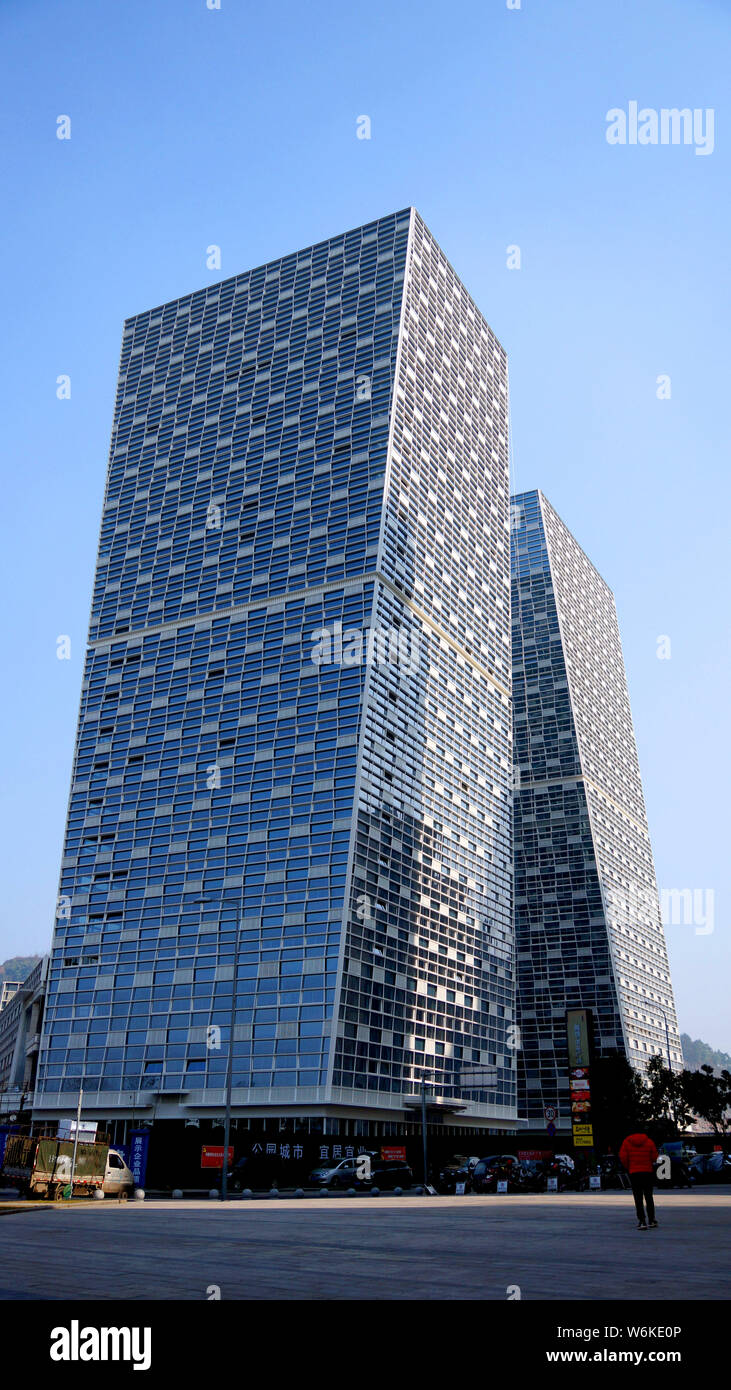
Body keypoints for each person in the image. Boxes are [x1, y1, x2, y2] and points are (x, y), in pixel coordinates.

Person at [619, 1130, 659, 1229]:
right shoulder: (649, 1141)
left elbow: (623, 1157)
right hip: (647, 1172)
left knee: (638, 1198)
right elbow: (655, 1157)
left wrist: (629, 1167)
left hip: (634, 1173)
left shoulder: (626, 1142)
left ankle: (642, 1221)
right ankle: (652, 1220)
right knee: (649, 1197)